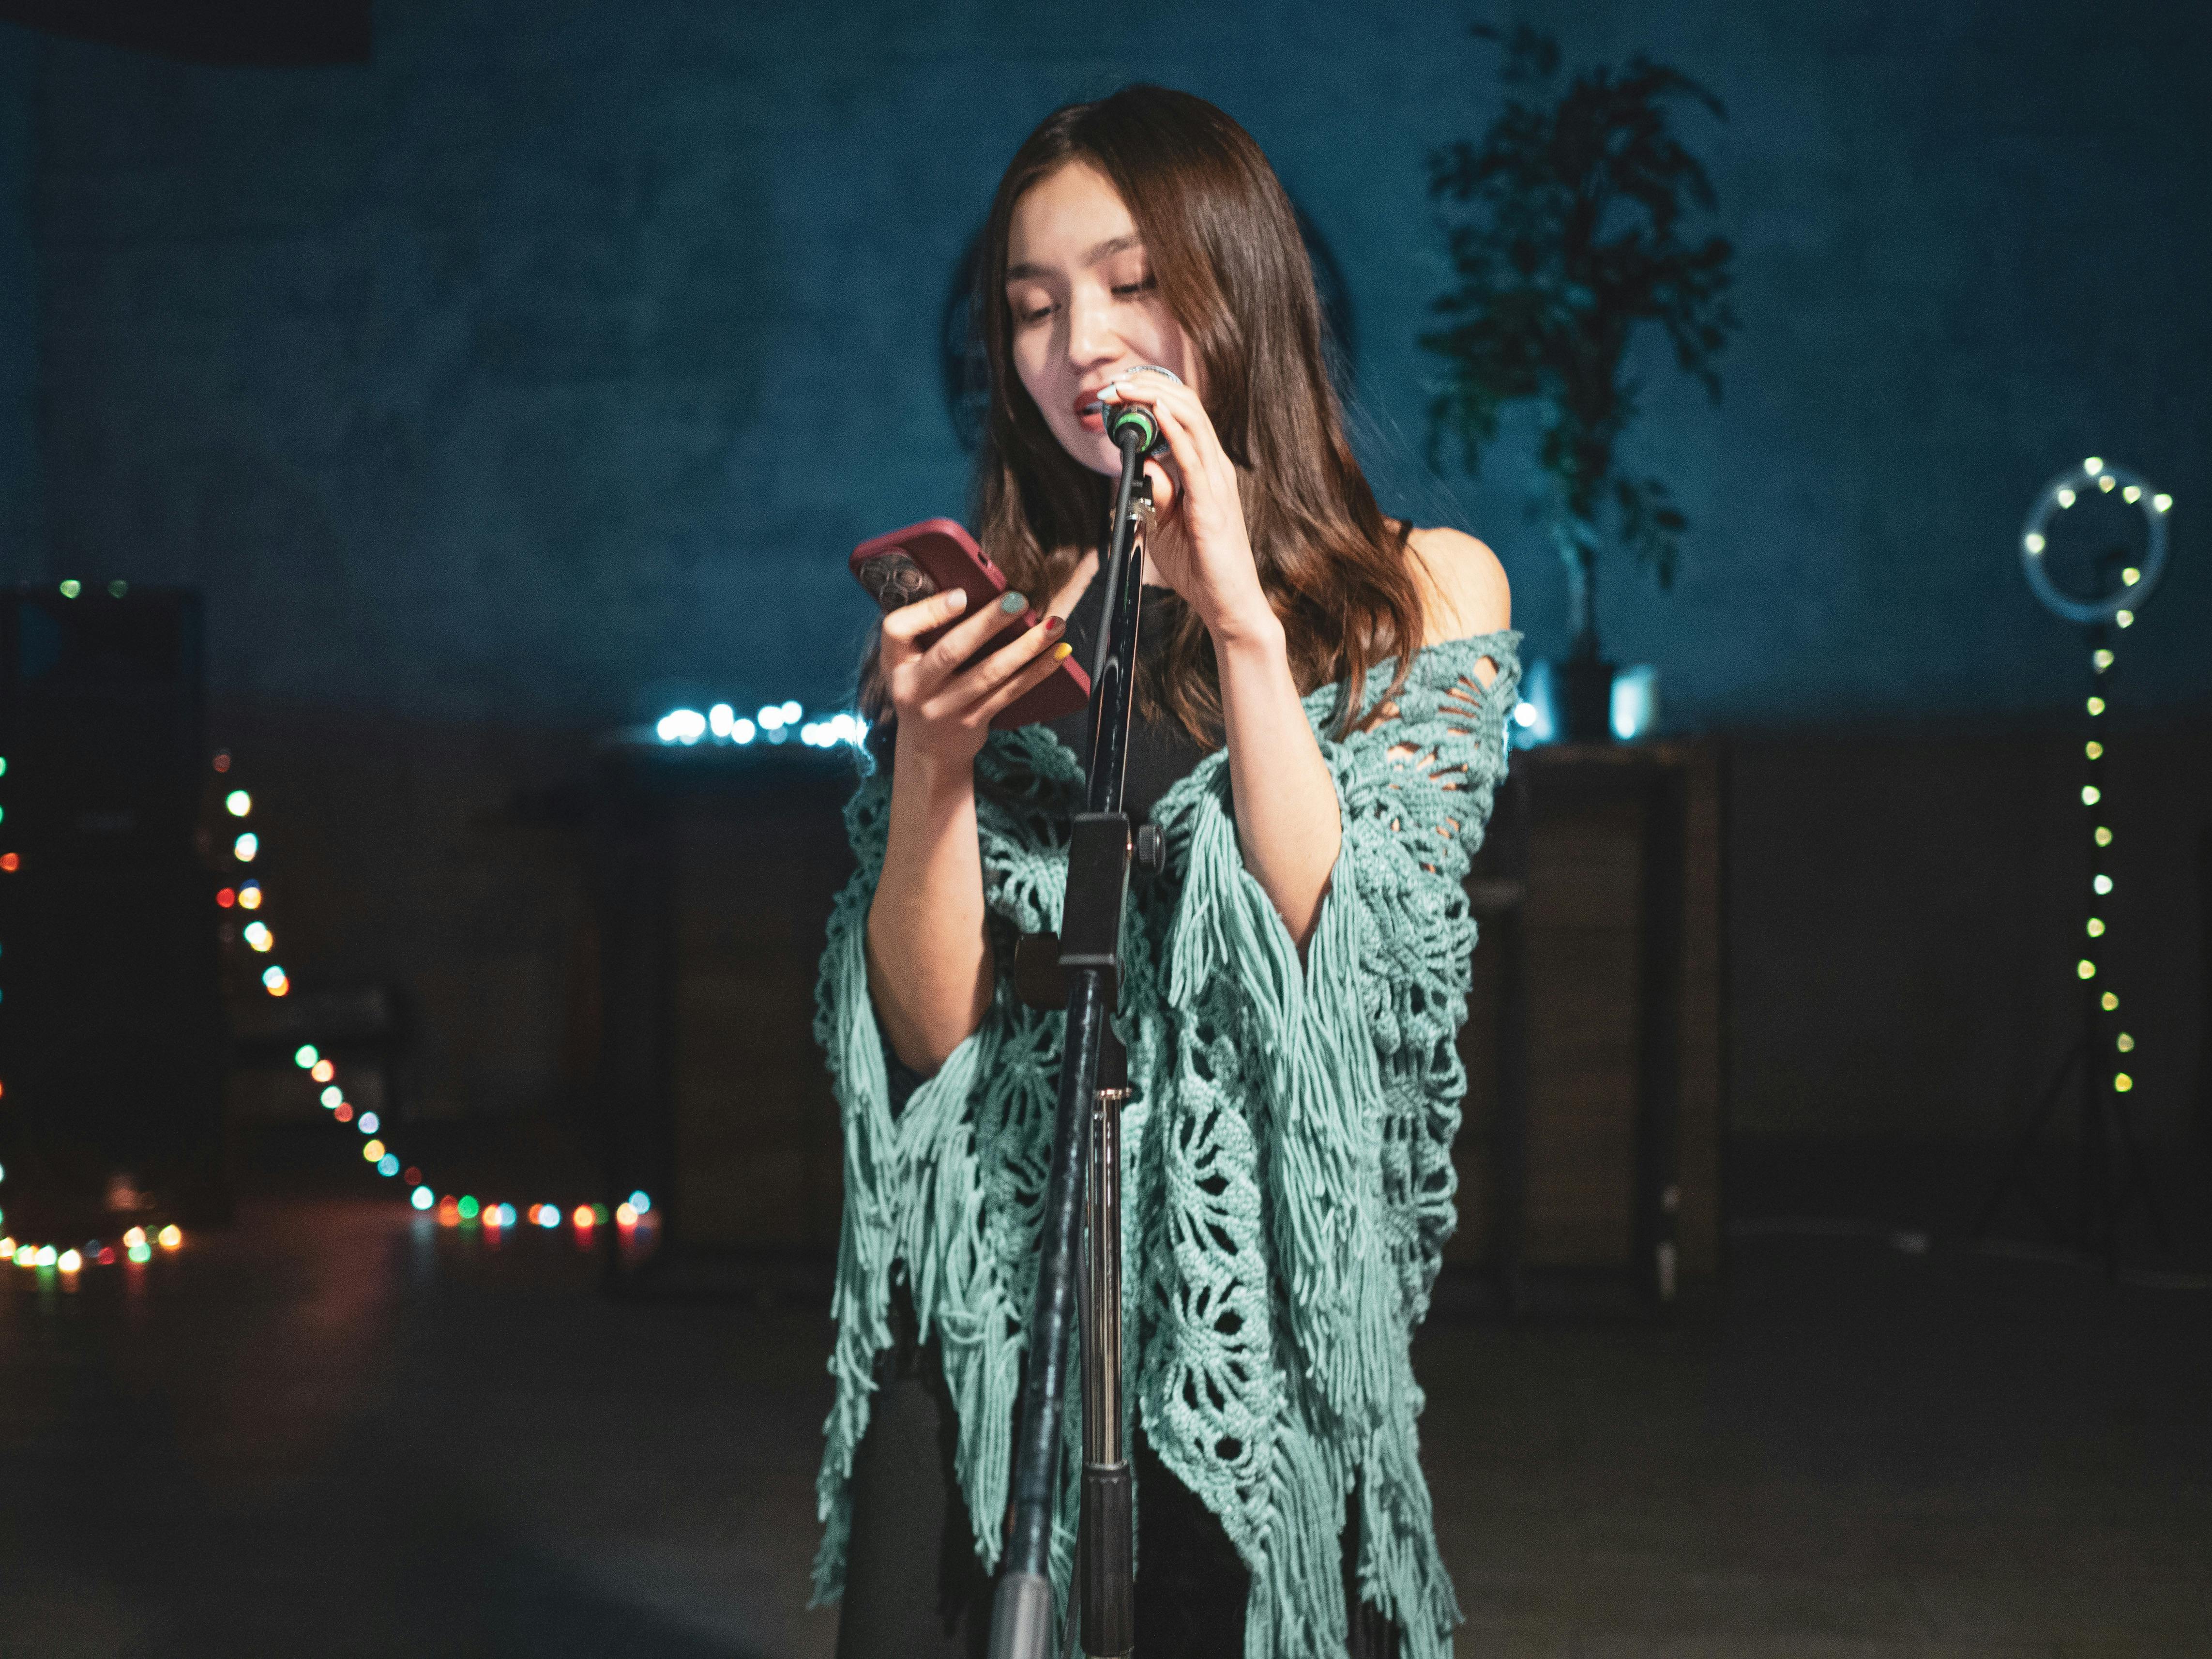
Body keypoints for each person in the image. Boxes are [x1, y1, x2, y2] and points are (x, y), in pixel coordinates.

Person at [815, 85, 1517, 1659]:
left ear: (1240, 290)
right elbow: (929, 1046)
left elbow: (1339, 961)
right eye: (1034, 306)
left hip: (1237, 1323)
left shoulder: (1423, 591)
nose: (1081, 345)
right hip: (994, 1309)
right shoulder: (1003, 611)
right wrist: (930, 768)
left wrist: (1242, 617)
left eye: (1132, 286)